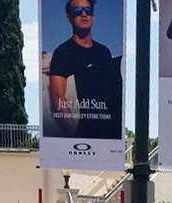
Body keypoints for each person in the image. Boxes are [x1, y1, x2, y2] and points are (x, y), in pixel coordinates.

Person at [48, 0, 122, 140]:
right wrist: (74, 135)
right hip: (85, 133)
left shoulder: (104, 52)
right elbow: (58, 98)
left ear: (93, 16)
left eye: (88, 10)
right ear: (68, 17)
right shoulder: (63, 53)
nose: (84, 14)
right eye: (77, 11)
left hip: (110, 133)